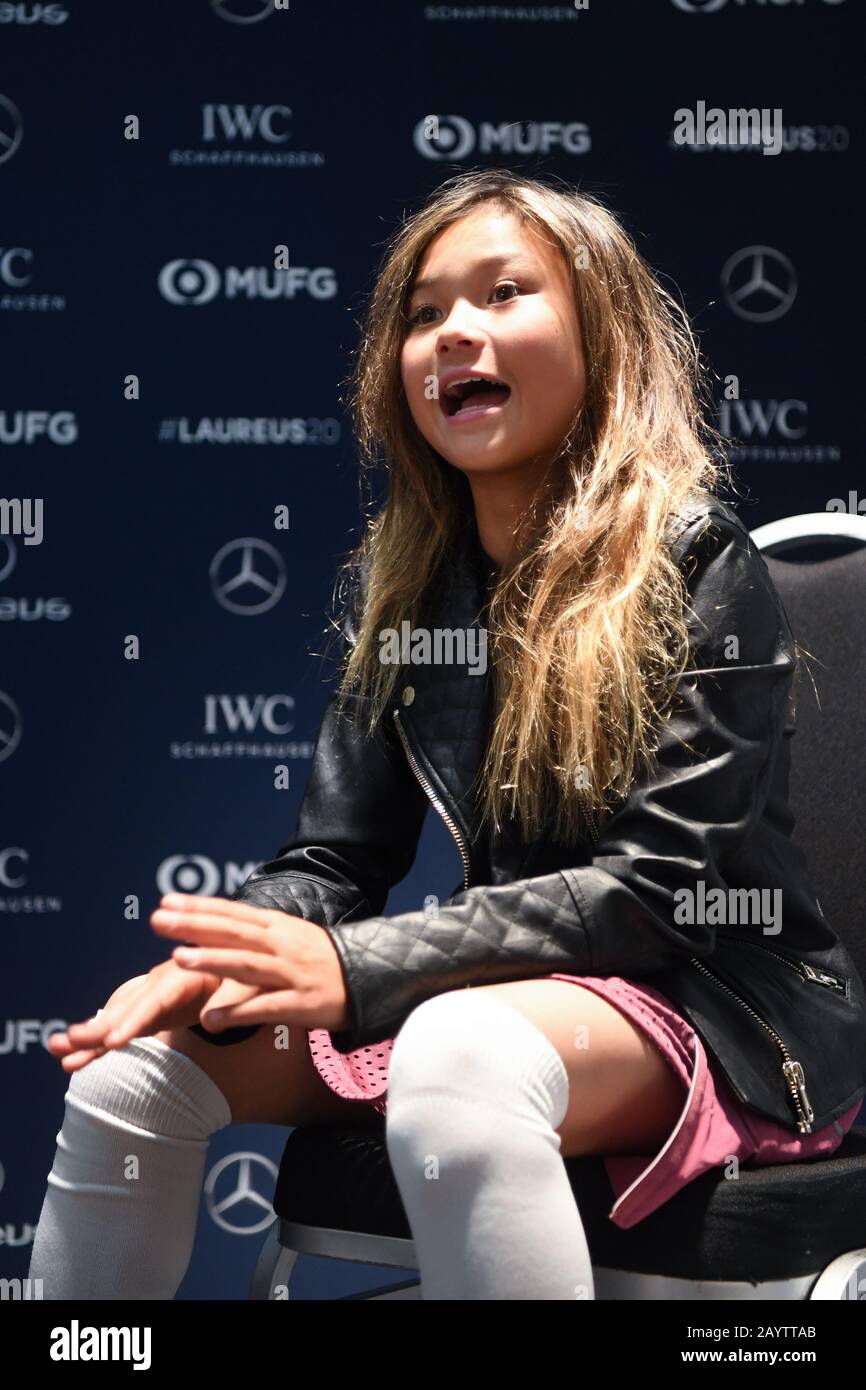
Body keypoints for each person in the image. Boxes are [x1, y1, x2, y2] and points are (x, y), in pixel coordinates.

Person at [29, 169, 866, 1301]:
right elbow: (336, 860)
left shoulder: (693, 556)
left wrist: (348, 967)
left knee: (454, 1055)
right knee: (134, 1076)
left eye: (503, 294)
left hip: (713, 1002)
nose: (451, 333)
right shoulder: (406, 584)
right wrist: (222, 962)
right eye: (423, 313)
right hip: (501, 986)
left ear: (602, 334)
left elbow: (655, 893)